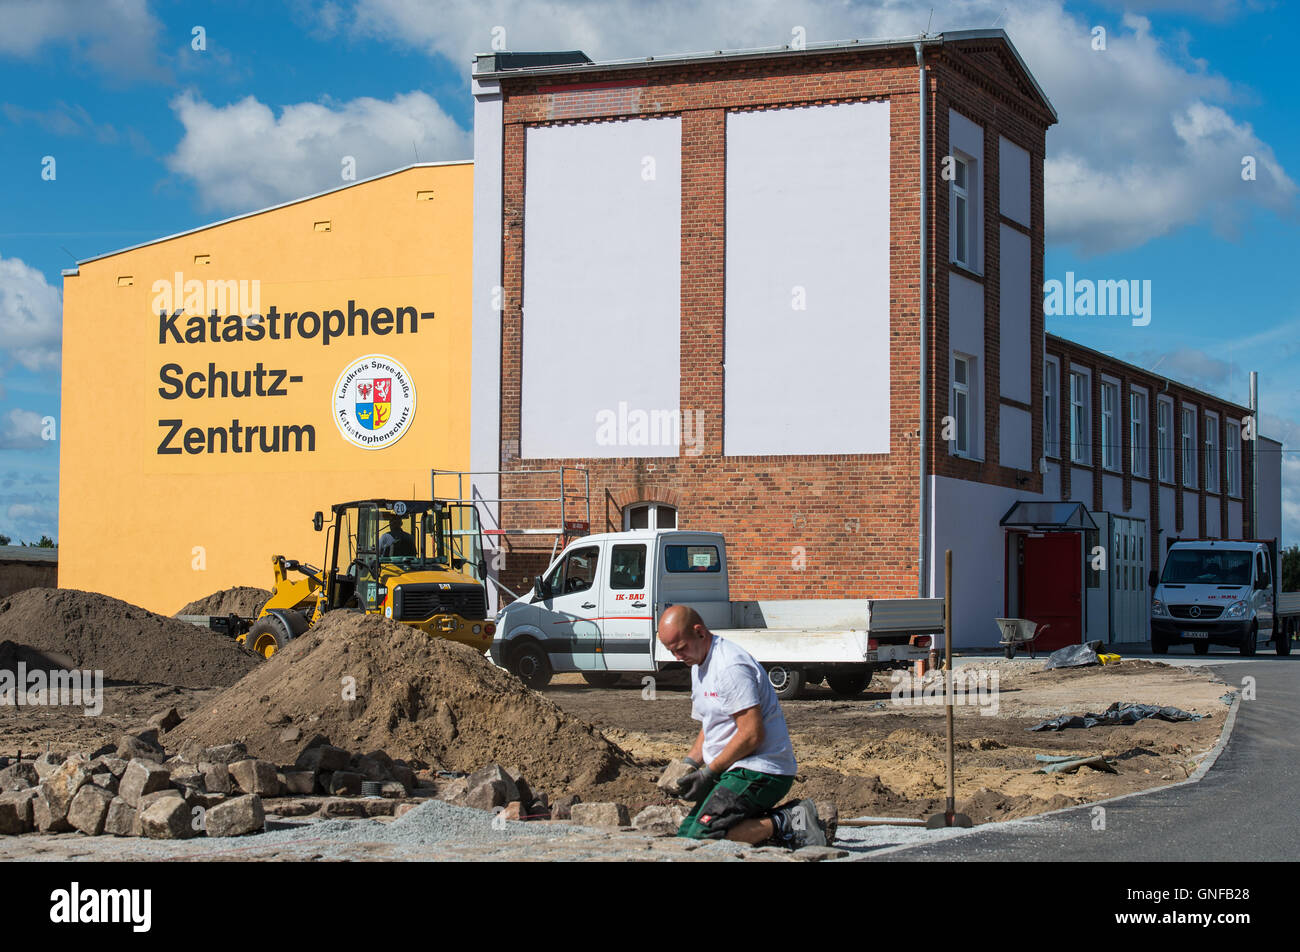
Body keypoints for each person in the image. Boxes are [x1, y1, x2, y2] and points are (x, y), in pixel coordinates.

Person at [657, 604, 829, 848]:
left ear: (700, 632)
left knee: (702, 836)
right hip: (733, 769)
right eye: (671, 651)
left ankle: (789, 820)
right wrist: (689, 764)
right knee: (686, 834)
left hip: (762, 770)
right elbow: (711, 725)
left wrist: (709, 772)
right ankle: (763, 830)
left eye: (681, 648)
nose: (677, 657)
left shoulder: (730, 666)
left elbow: (751, 735)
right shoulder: (698, 665)